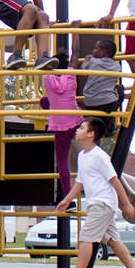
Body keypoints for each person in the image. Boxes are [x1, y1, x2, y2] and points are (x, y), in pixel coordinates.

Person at [56, 117, 135, 268]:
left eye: (82, 128)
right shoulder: (83, 155)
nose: (77, 130)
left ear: (91, 134)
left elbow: (115, 180)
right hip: (98, 203)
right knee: (112, 240)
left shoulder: (99, 156)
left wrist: (126, 204)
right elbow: (80, 182)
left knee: (87, 238)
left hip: (102, 203)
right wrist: (67, 200)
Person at [42, 49, 82, 199]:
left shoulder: (47, 78)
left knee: (62, 163)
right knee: (92, 152)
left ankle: (67, 197)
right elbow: (75, 55)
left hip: (59, 125)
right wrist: (76, 30)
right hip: (76, 120)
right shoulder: (71, 75)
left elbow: (46, 102)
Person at [77, 39, 122, 116]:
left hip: (90, 103)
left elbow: (82, 72)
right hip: (109, 102)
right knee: (120, 88)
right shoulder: (117, 66)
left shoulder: (92, 61)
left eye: (96, 48)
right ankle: (110, 122)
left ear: (103, 52)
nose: (93, 50)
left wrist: (86, 61)